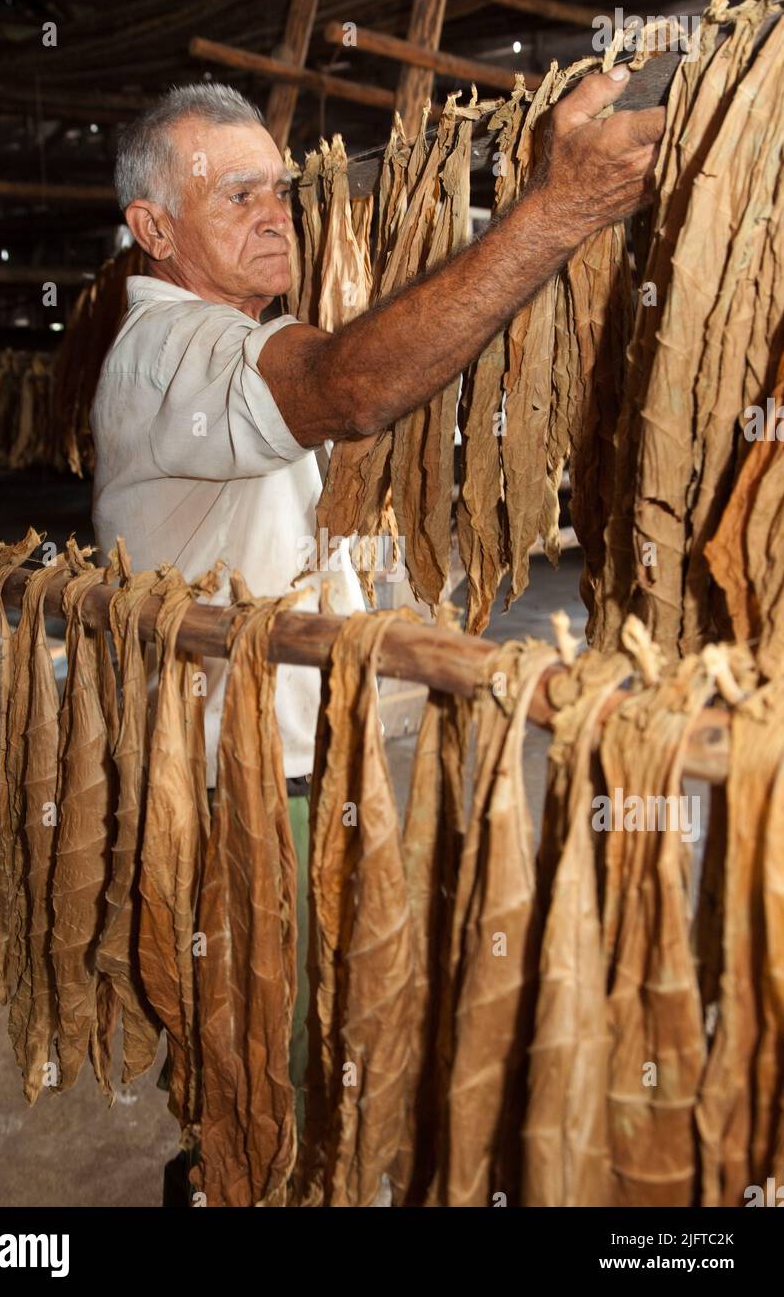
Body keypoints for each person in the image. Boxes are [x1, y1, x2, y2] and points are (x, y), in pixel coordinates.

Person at [89, 75, 665, 1204]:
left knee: (279, 1048)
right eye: (233, 193)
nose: (274, 212)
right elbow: (349, 388)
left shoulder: (210, 344)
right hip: (241, 786)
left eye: (280, 190)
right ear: (152, 229)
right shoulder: (177, 352)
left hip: (276, 769)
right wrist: (552, 208)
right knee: (278, 1059)